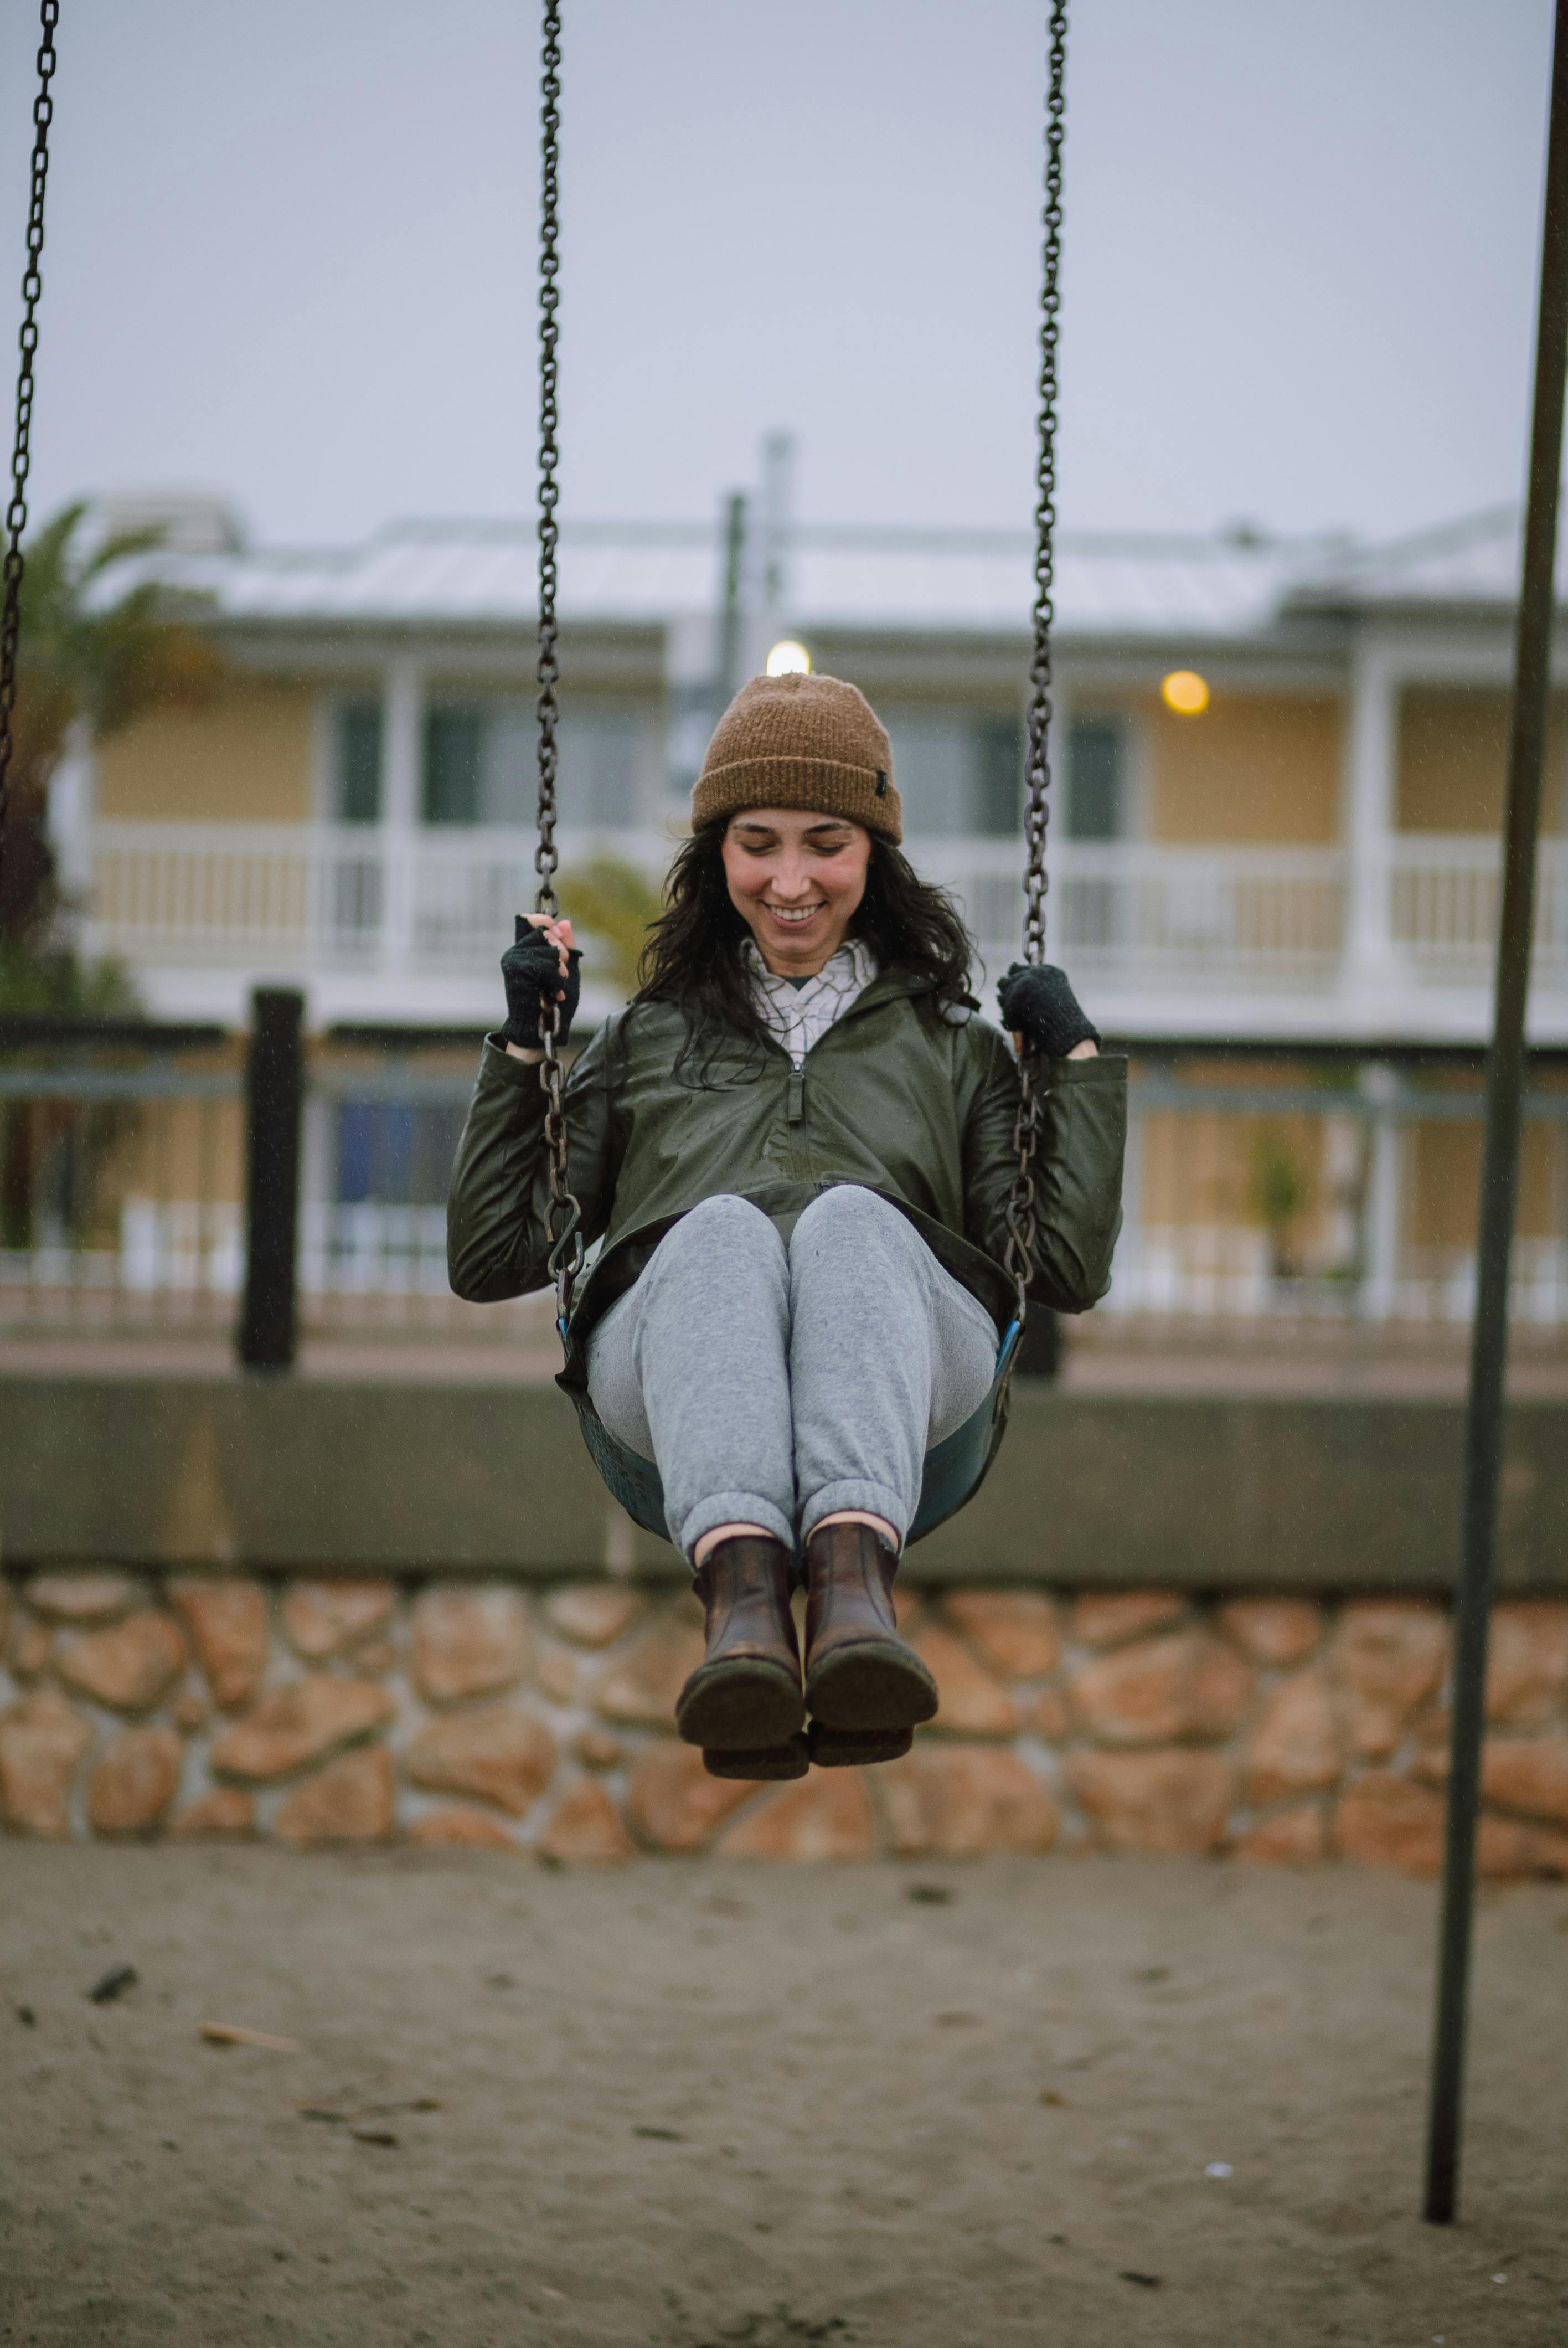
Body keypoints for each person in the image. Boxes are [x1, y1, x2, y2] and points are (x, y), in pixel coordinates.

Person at [448, 671, 1125, 1779]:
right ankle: (747, 1617)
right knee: (717, 1235)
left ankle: (856, 1599)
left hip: (913, 1366)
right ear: (719, 855)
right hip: (674, 1360)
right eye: (758, 842)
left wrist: (1075, 1066)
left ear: (875, 853)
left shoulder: (952, 1048)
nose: (793, 880)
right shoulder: (649, 1038)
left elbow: (1061, 1265)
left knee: (852, 1223)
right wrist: (527, 1046)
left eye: (827, 841)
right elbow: (492, 1257)